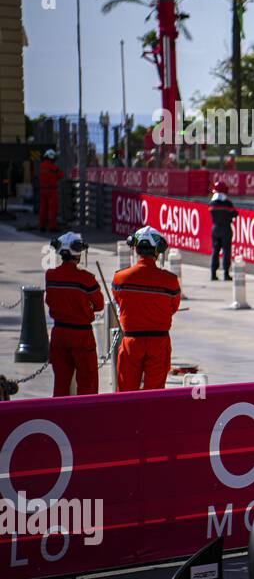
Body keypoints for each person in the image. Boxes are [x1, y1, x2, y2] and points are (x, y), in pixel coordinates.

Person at [112, 226, 181, 391]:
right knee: (154, 395)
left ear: (135, 249)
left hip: (131, 342)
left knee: (126, 393)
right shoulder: (170, 281)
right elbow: (173, 307)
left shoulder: (120, 277)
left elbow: (118, 301)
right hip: (159, 342)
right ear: (157, 251)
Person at [44, 232, 104, 397]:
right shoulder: (86, 279)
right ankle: (86, 419)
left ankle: (60, 419)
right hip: (82, 335)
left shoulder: (50, 276)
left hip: (59, 333)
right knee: (87, 383)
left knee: (61, 383)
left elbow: (50, 300)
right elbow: (99, 305)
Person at [209, 184, 239, 281]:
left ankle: (213, 274)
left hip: (215, 228)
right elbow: (235, 213)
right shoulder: (227, 203)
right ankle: (226, 274)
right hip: (226, 229)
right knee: (226, 252)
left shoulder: (212, 203)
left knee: (215, 251)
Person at [38, 149, 62, 231]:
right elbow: (61, 175)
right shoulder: (54, 167)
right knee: (53, 210)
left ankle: (42, 226)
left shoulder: (41, 166)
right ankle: (52, 227)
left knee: (43, 209)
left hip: (42, 190)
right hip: (52, 191)